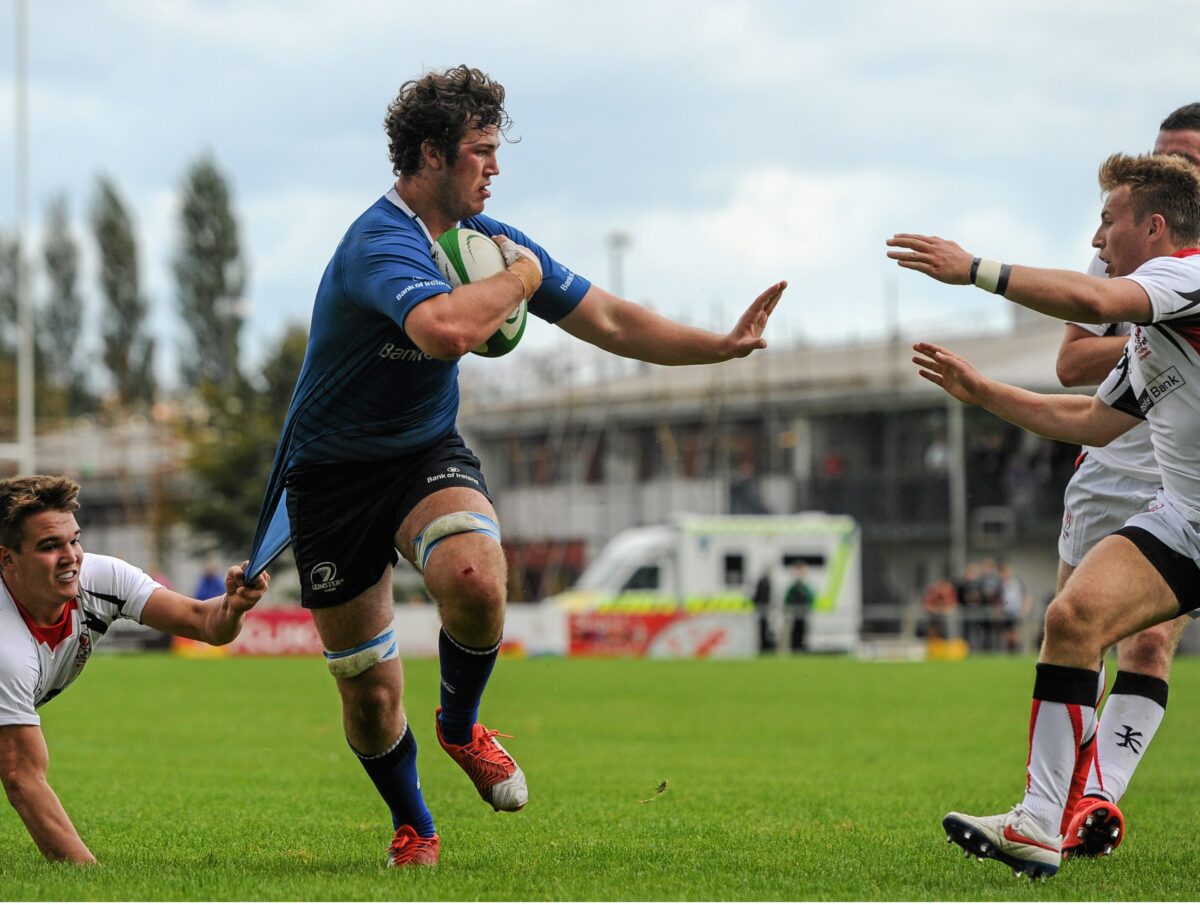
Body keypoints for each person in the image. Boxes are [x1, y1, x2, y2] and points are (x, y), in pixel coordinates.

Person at [244, 65, 786, 868]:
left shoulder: (491, 244)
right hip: (330, 474)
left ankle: (461, 725)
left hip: (422, 450)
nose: (494, 168)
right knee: (367, 690)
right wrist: (517, 281)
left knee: (475, 576)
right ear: (430, 155)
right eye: (480, 151)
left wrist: (719, 347)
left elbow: (605, 314)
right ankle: (414, 823)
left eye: (497, 151)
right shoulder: (380, 241)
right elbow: (441, 330)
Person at [887, 150, 1200, 879]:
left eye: (1107, 221)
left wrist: (974, 269)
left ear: (1153, 227)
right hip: (1186, 519)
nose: (1096, 241)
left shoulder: (1188, 273)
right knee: (1071, 617)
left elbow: (1093, 307)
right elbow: (1091, 420)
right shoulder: (1158, 330)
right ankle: (1037, 821)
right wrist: (981, 390)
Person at [1051, 102, 1200, 860]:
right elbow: (1070, 360)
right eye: (1165, 153)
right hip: (1112, 457)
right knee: (1072, 625)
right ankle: (1044, 805)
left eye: (1189, 156)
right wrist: (1151, 351)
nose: (1175, 165)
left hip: (1180, 479)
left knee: (1148, 648)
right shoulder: (1125, 248)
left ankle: (1093, 801)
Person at [0, 475, 270, 864]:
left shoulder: (100, 577)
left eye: (73, 540)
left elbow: (202, 622)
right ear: (7, 558)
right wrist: (91, 880)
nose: (71, 557)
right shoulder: (6, 647)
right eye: (48, 546)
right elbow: (22, 779)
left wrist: (233, 605)